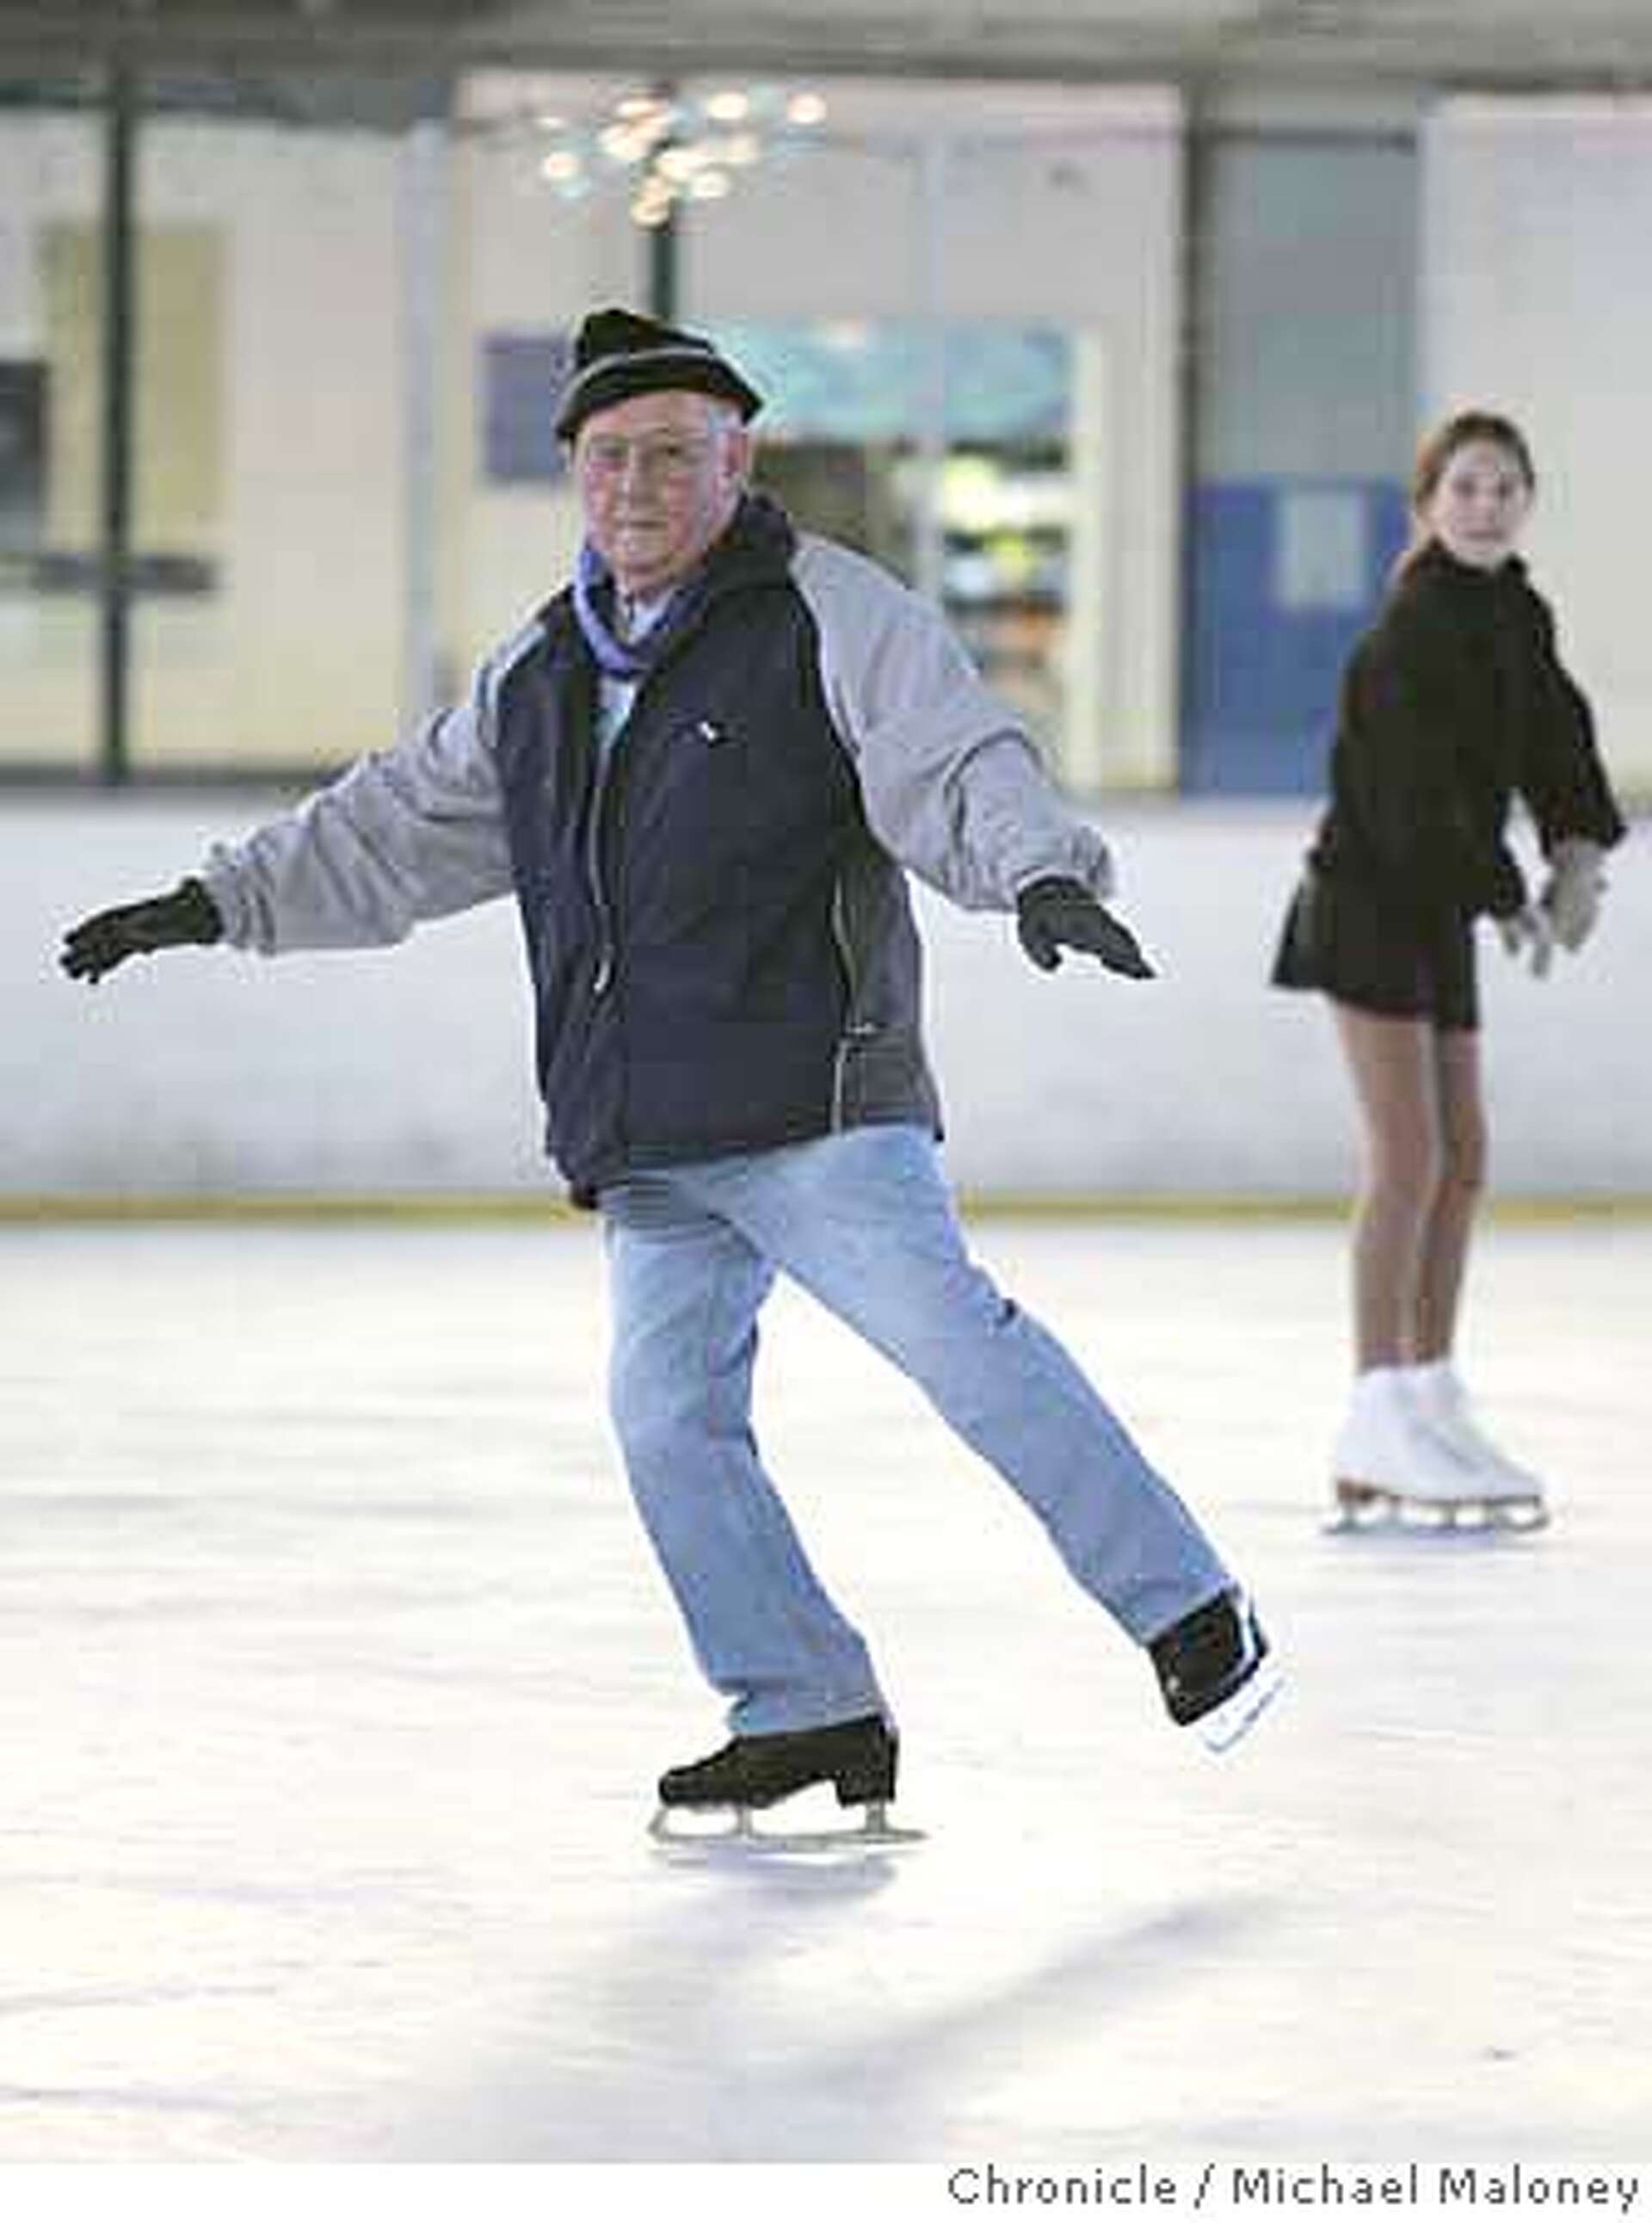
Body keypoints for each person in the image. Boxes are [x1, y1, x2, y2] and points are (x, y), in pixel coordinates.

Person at [62, 306, 1277, 1837]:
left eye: (672, 454)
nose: (637, 484)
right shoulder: (545, 669)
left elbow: (952, 758)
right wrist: (217, 900)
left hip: (817, 1103)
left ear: (736, 458)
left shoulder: (831, 613)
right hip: (648, 1129)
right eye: (610, 455)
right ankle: (804, 1702)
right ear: (575, 470)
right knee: (667, 1425)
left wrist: (1038, 874)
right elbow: (397, 822)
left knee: (966, 1354)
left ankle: (1190, 1608)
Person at [1271, 409, 1625, 1529]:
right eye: (1466, 487)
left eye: (1505, 487)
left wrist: (1577, 847)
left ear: (1526, 502)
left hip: (1438, 914)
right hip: (1372, 904)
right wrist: (1506, 887)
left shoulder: (1514, 611)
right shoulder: (1409, 630)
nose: (1487, 505)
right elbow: (1409, 798)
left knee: (1466, 1157)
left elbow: (1556, 737)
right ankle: (1374, 1405)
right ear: (1427, 504)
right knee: (1411, 1155)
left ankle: (1429, 1391)